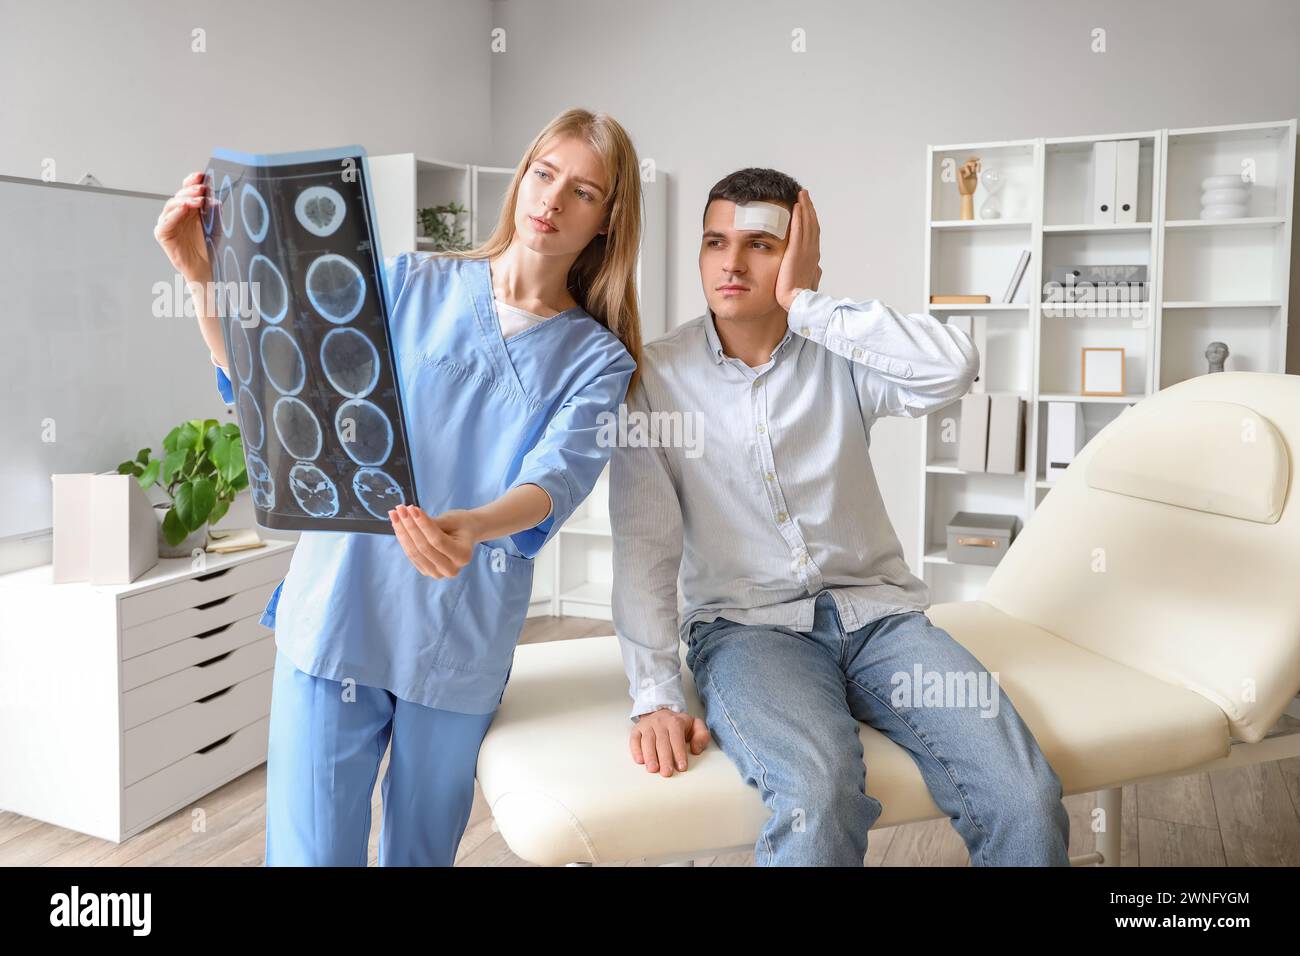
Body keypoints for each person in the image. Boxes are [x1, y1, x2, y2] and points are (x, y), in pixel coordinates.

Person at [155, 108, 641, 866]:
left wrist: (474, 525)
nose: (552, 199)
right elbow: (279, 393)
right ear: (522, 178)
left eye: (583, 191)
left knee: (419, 855)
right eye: (545, 174)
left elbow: (558, 475)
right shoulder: (411, 281)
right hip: (339, 610)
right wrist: (199, 278)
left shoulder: (597, 359)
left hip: (456, 638)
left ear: (609, 219)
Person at [609, 167, 1070, 866]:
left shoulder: (841, 353)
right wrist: (654, 696)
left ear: (798, 254)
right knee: (817, 799)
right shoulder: (654, 379)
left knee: (1024, 796)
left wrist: (807, 302)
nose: (731, 262)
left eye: (760, 245)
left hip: (884, 623)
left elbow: (954, 366)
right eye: (714, 242)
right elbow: (644, 547)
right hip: (751, 635)